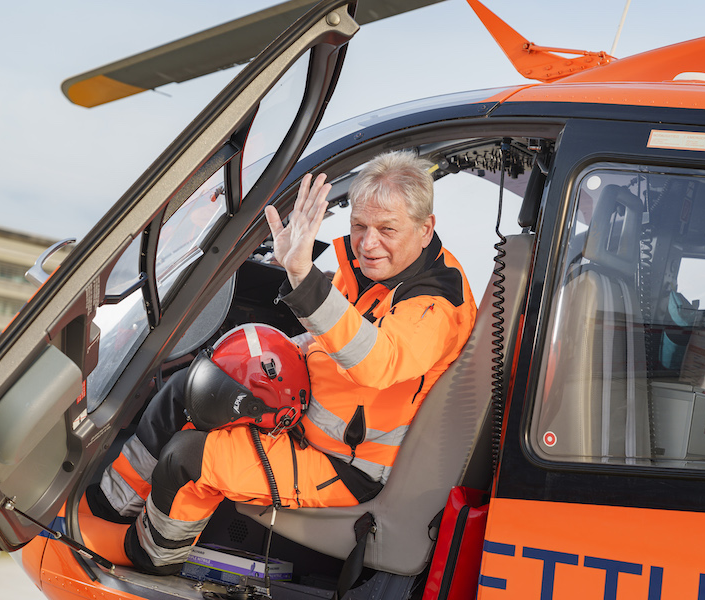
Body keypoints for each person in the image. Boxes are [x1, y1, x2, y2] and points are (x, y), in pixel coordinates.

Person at [81, 150, 477, 575]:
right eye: (359, 226)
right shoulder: (373, 270)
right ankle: (108, 505)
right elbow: (329, 336)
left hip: (345, 464)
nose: (367, 243)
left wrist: (304, 279)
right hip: (306, 419)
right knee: (187, 389)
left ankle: (149, 556)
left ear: (425, 228)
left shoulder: (436, 303)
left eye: (387, 229)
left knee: (190, 458)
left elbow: (377, 361)